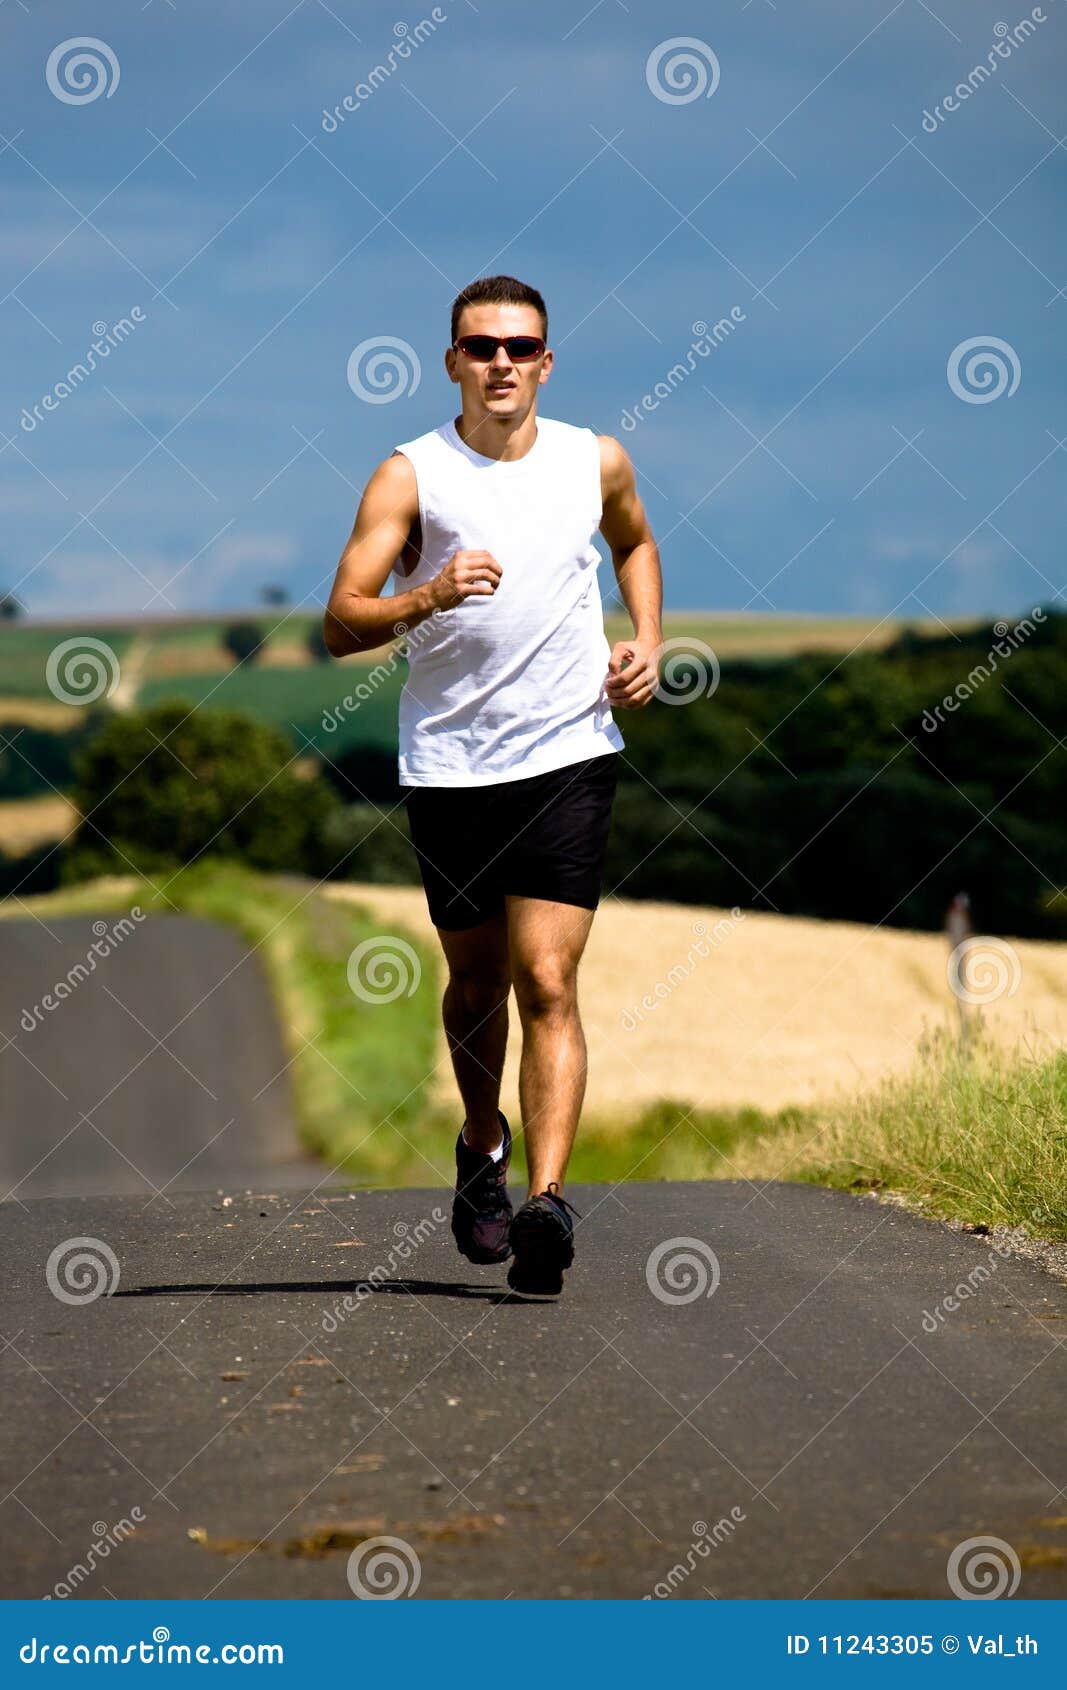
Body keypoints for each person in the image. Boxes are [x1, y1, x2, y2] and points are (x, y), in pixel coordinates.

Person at [324, 274, 662, 1294]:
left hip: (568, 752)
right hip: (450, 765)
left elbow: (633, 541)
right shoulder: (410, 476)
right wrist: (426, 592)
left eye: (520, 347)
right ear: (452, 362)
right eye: (481, 347)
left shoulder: (591, 457)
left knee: (546, 980)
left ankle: (548, 1205)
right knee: (474, 985)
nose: (501, 363)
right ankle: (482, 1147)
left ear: (546, 362)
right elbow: (341, 621)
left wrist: (645, 640)